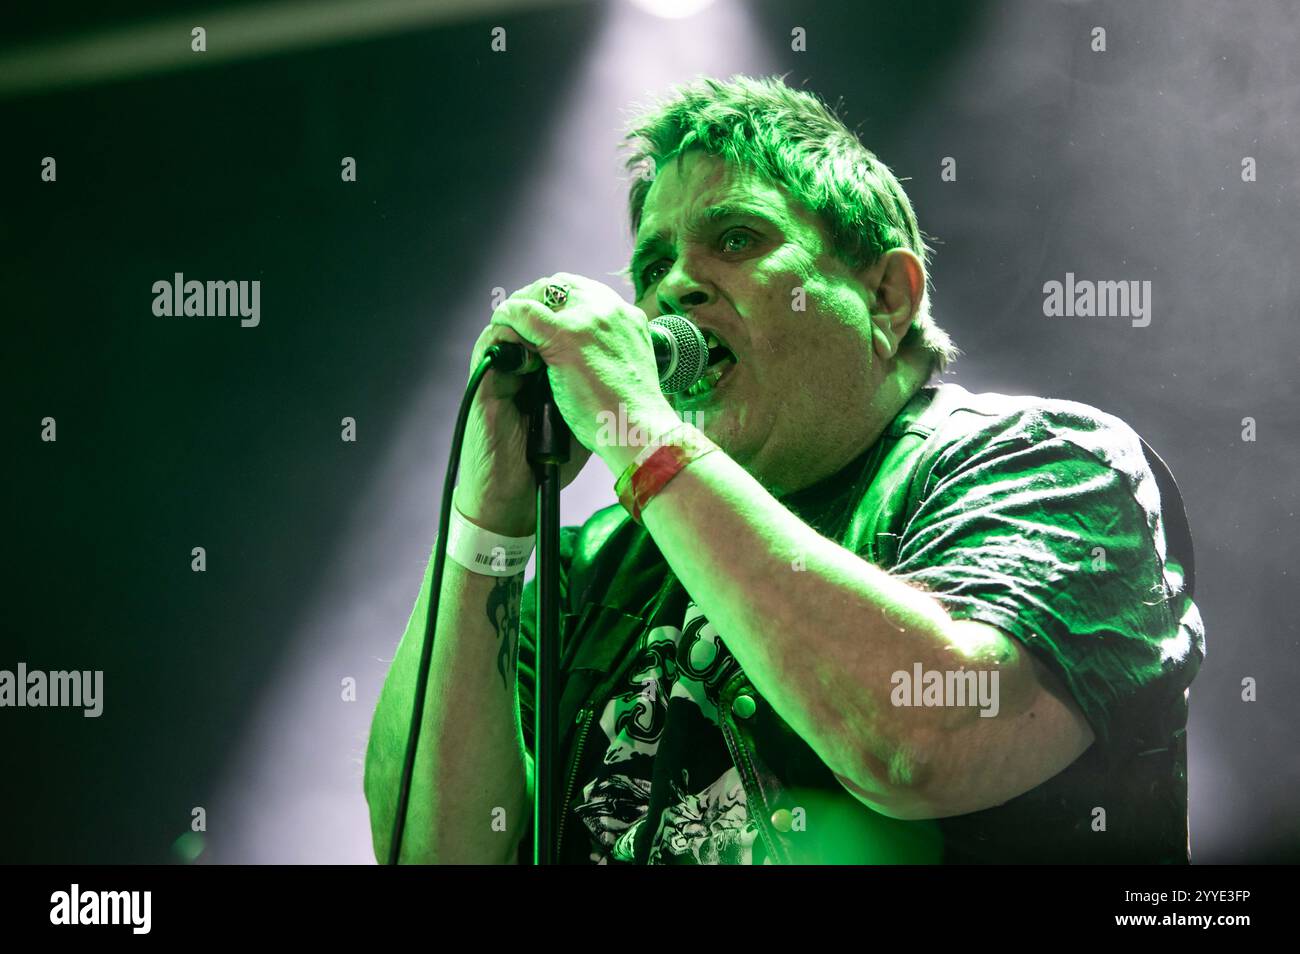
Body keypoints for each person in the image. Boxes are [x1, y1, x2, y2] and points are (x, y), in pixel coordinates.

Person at [364, 75, 1205, 865]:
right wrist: (491, 517)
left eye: (736, 239)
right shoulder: (598, 561)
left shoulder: (1046, 464)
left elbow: (924, 744)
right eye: (653, 266)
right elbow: (431, 849)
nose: (674, 290)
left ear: (886, 296)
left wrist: (644, 435)